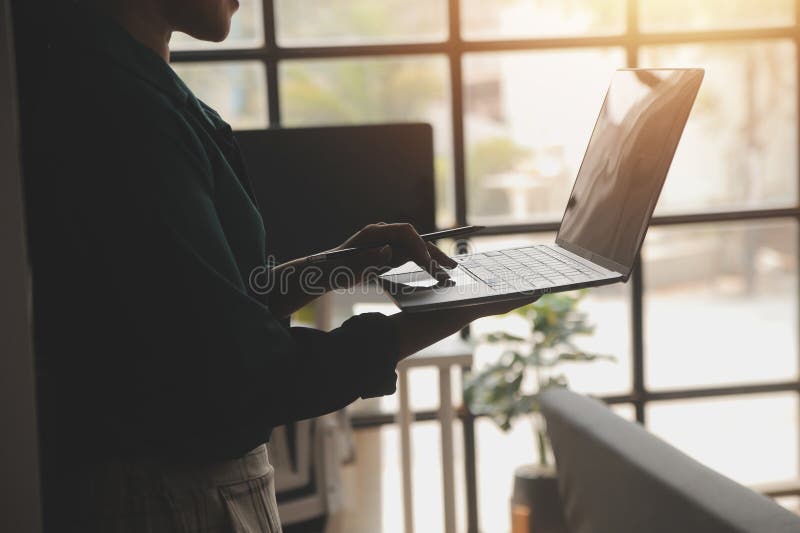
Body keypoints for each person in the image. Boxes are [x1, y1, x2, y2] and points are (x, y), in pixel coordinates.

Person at [23, 0, 533, 531]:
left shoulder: (134, 86)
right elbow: (237, 371)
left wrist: (339, 265)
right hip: (172, 496)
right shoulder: (123, 112)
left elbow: (218, 305)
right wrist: (450, 313)